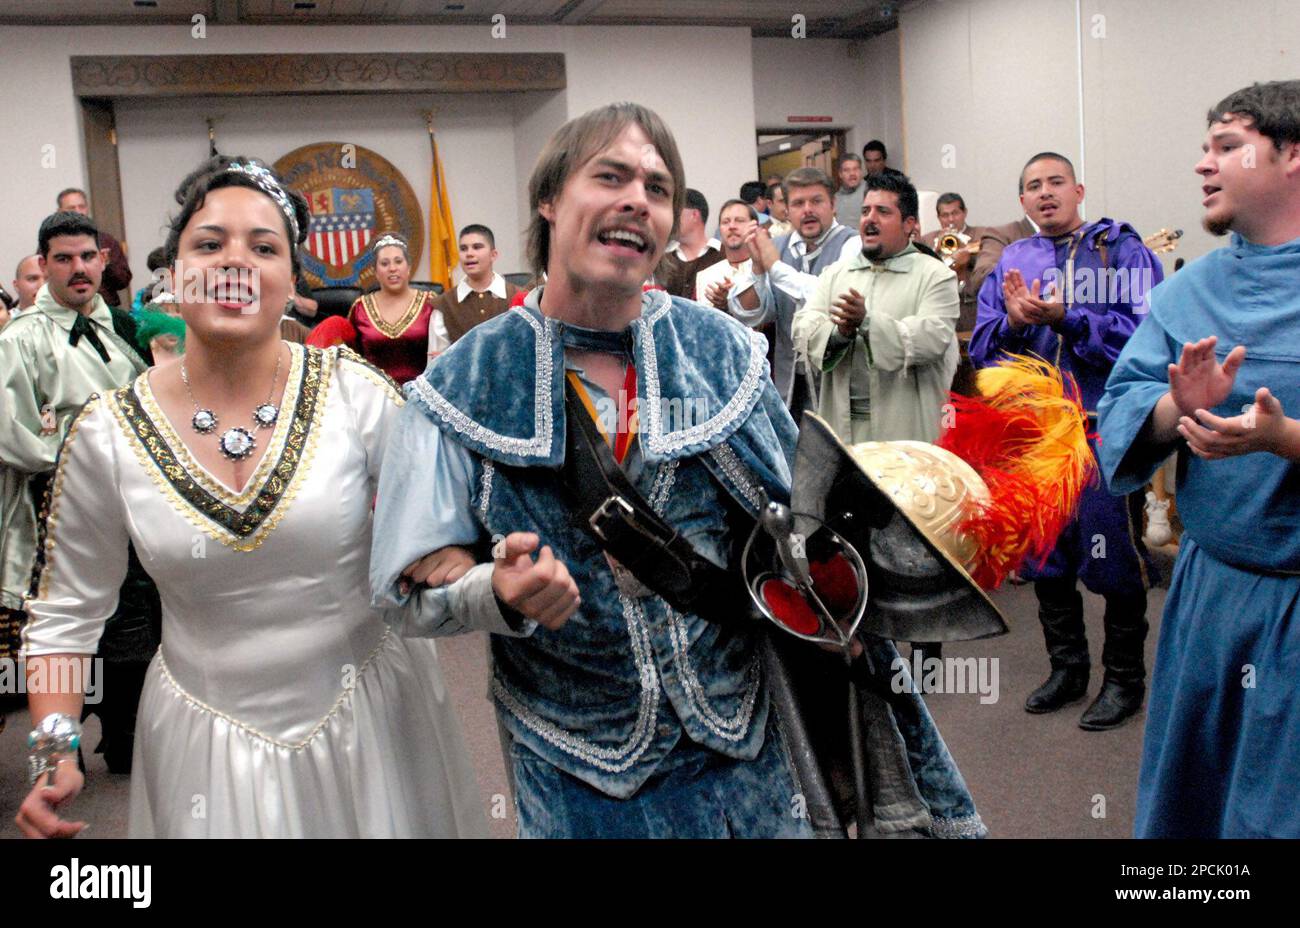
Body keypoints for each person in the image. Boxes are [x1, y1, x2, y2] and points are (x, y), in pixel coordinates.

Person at [15, 156, 486, 839]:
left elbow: (446, 526)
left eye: (263, 247)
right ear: (172, 276)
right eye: (209, 244)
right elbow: (63, 615)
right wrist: (54, 749)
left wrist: (460, 552)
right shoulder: (107, 433)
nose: (235, 261)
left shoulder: (354, 393)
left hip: (374, 722)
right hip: (206, 743)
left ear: (292, 279)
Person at [1098, 79, 1300, 836]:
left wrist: (1283, 439)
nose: (1202, 165)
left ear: (1291, 157)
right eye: (1203, 147)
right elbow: (1121, 411)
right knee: (1198, 807)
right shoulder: (1191, 291)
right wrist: (1176, 405)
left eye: (1226, 145)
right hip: (1213, 597)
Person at [970, 151, 1162, 731]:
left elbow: (1147, 339)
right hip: (1036, 435)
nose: (1045, 193)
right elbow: (981, 353)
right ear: (1023, 203)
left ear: (1079, 189)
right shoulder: (1013, 259)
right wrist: (1016, 322)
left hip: (1104, 426)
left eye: (1056, 182)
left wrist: (1070, 318)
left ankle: (1124, 679)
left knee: (1115, 556)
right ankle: (1067, 671)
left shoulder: (1121, 250)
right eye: (1033, 186)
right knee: (1045, 555)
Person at [0, 211, 157, 772]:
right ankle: (52, 759)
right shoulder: (21, 338)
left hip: (134, 496)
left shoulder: (122, 327)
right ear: (43, 267)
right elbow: (10, 433)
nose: (79, 268)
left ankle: (127, 741)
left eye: (88, 256)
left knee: (134, 625)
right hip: (56, 501)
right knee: (62, 630)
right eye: (63, 259)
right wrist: (71, 450)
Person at [793, 171, 958, 445]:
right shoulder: (836, 274)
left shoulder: (935, 275)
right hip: (842, 428)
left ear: (909, 224)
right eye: (865, 211)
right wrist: (840, 333)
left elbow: (932, 337)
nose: (870, 219)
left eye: (883, 211)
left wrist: (867, 323)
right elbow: (803, 325)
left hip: (908, 430)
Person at [728, 167, 859, 411]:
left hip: (838, 382)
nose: (807, 209)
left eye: (816, 201)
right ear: (787, 211)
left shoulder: (852, 243)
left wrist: (774, 267)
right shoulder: (776, 245)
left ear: (833, 204)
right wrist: (757, 267)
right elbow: (751, 314)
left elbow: (830, 296)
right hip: (790, 383)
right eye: (798, 203)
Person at [346, 233, 447, 383]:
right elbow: (350, 363)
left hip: (422, 399)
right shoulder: (360, 308)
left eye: (398, 261)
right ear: (376, 271)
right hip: (373, 399)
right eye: (385, 264)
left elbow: (444, 357)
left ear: (408, 267)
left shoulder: (431, 303)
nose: (392, 268)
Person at [432, 224, 520, 344]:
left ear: (493, 255)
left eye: (477, 247)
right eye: (463, 249)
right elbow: (438, 359)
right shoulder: (443, 304)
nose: (469, 254)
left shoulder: (519, 296)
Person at [56, 188, 132, 308]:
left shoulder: (106, 241)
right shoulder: (53, 244)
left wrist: (106, 264)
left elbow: (123, 281)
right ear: (60, 212)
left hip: (106, 308)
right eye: (71, 208)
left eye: (81, 207)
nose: (78, 212)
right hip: (66, 309)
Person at [655, 188, 723, 297]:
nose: (670, 219)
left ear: (694, 215)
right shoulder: (663, 261)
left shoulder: (724, 256)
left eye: (675, 213)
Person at [694, 199, 760, 307]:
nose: (732, 226)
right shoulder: (706, 276)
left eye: (739, 220)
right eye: (725, 222)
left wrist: (731, 303)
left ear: (754, 226)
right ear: (720, 229)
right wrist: (720, 306)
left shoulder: (765, 270)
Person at [833, 154, 865, 228]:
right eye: (847, 170)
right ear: (840, 174)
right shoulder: (835, 199)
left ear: (861, 171)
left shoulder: (871, 193)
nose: (852, 174)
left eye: (855, 169)